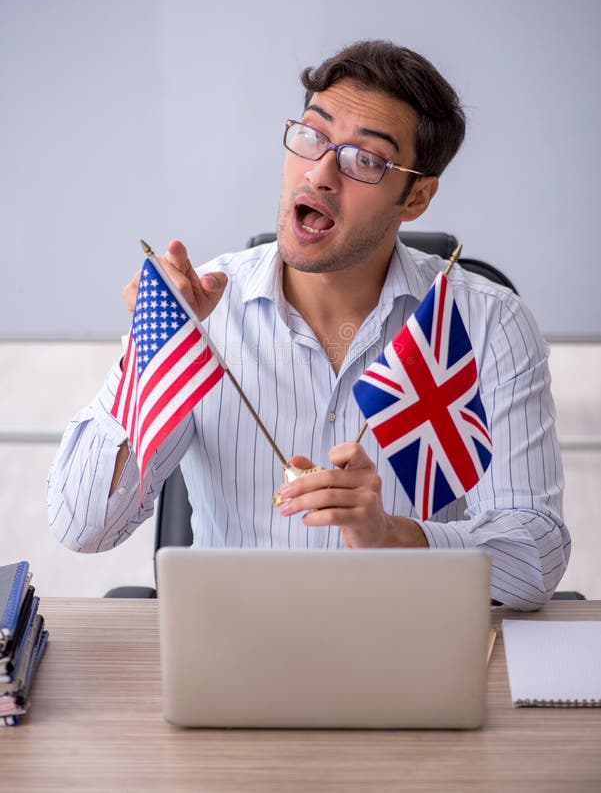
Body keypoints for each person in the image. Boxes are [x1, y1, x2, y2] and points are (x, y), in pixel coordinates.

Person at [47, 40, 570, 609]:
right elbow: (83, 527)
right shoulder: (199, 312)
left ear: (416, 196)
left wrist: (395, 537)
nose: (320, 174)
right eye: (313, 136)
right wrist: (149, 350)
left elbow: (535, 557)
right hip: (233, 654)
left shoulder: (488, 322)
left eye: (365, 159)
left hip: (409, 649)